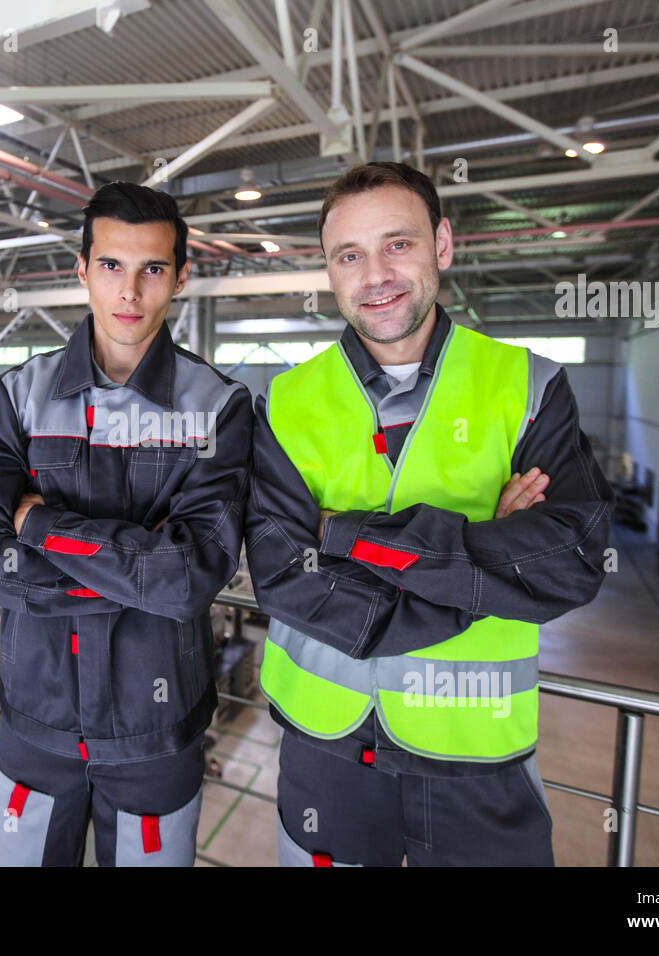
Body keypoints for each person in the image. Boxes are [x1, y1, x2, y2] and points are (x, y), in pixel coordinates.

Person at [245, 161, 613, 866]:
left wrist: (340, 534)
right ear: (329, 270)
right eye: (349, 255)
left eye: (398, 244)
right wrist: (486, 558)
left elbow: (570, 562)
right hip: (324, 751)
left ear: (442, 244)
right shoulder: (285, 404)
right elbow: (285, 579)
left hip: (475, 749)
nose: (375, 274)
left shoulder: (527, 385)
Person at [0, 181, 251, 866]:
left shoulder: (220, 409)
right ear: (81, 270)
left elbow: (188, 578)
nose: (130, 293)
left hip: (156, 735)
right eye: (111, 265)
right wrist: (130, 575)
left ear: (181, 276)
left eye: (152, 269)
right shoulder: (18, 397)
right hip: (34, 724)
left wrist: (38, 524)